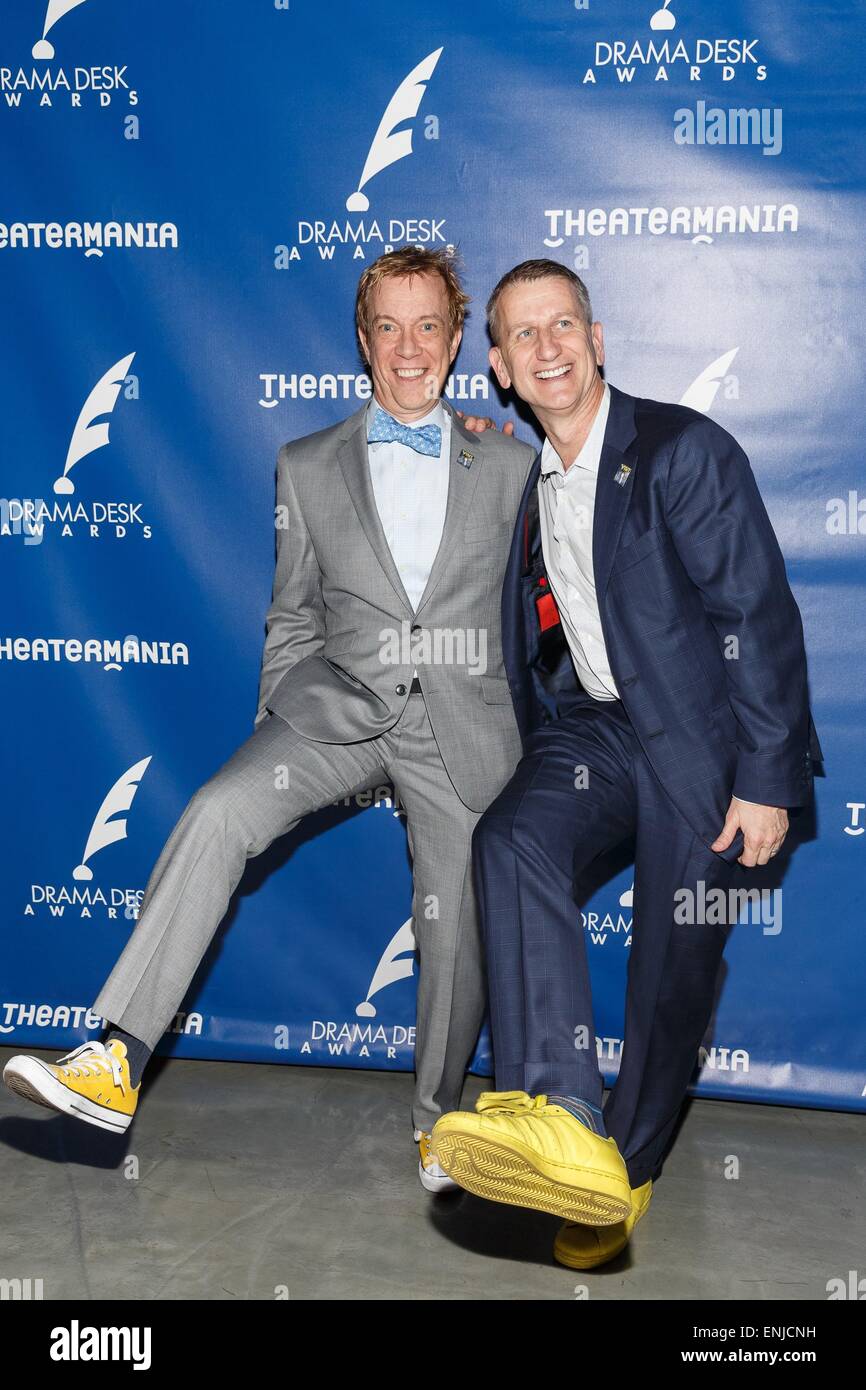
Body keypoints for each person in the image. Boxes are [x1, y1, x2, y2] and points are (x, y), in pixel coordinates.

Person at [3, 246, 537, 1194]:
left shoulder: (510, 464)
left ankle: (436, 1124)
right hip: (338, 708)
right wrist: (277, 725)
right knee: (218, 810)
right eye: (387, 327)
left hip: (461, 723)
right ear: (362, 339)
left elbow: (535, 614)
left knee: (454, 924)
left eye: (427, 327)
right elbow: (291, 614)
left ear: (457, 340)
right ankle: (116, 1056)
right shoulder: (304, 465)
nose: (407, 348)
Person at [432, 259, 821, 1263]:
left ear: (597, 340)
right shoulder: (530, 482)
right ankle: (553, 1106)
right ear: (500, 368)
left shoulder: (679, 451)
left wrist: (767, 777)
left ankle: (622, 1177)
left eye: (563, 324)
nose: (548, 345)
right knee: (509, 839)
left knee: (667, 974)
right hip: (599, 732)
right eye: (523, 334)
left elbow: (757, 614)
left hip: (705, 742)